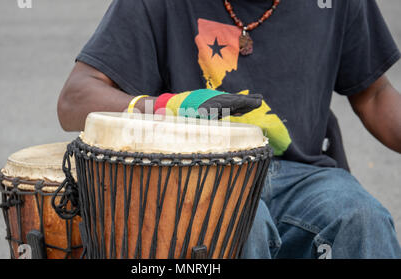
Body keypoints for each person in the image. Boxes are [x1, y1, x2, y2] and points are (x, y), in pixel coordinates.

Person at [57, 0, 401, 258]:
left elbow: (374, 95)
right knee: (236, 225)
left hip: (305, 178)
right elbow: (74, 99)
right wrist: (168, 108)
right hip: (193, 174)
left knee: (362, 219)